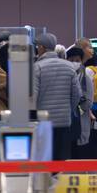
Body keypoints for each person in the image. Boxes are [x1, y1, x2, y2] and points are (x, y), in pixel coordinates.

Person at [32, 33, 81, 161]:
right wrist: (68, 109)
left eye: (37, 46)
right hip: (64, 121)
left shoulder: (37, 67)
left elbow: (33, 96)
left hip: (43, 121)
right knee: (61, 158)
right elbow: (77, 94)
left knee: (45, 158)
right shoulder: (69, 67)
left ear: (42, 47)